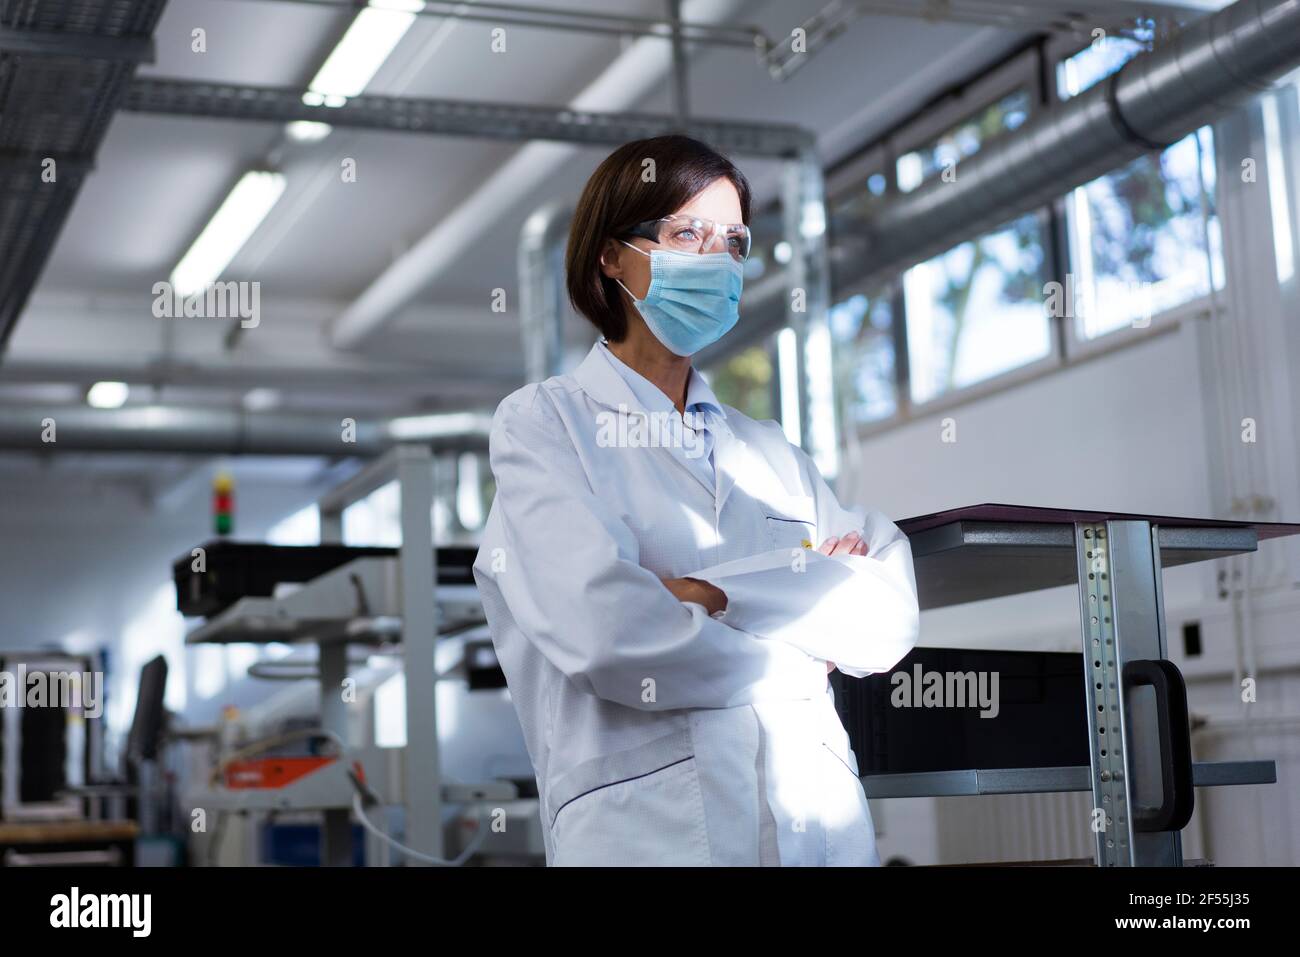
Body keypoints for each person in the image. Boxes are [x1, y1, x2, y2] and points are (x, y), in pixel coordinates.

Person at [473, 134, 919, 866]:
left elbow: (887, 616)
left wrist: (707, 594)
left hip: (817, 834)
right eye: (687, 234)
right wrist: (802, 642)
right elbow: (610, 633)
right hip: (648, 833)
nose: (716, 260)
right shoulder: (545, 425)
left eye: (733, 241)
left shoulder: (771, 451)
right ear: (611, 256)